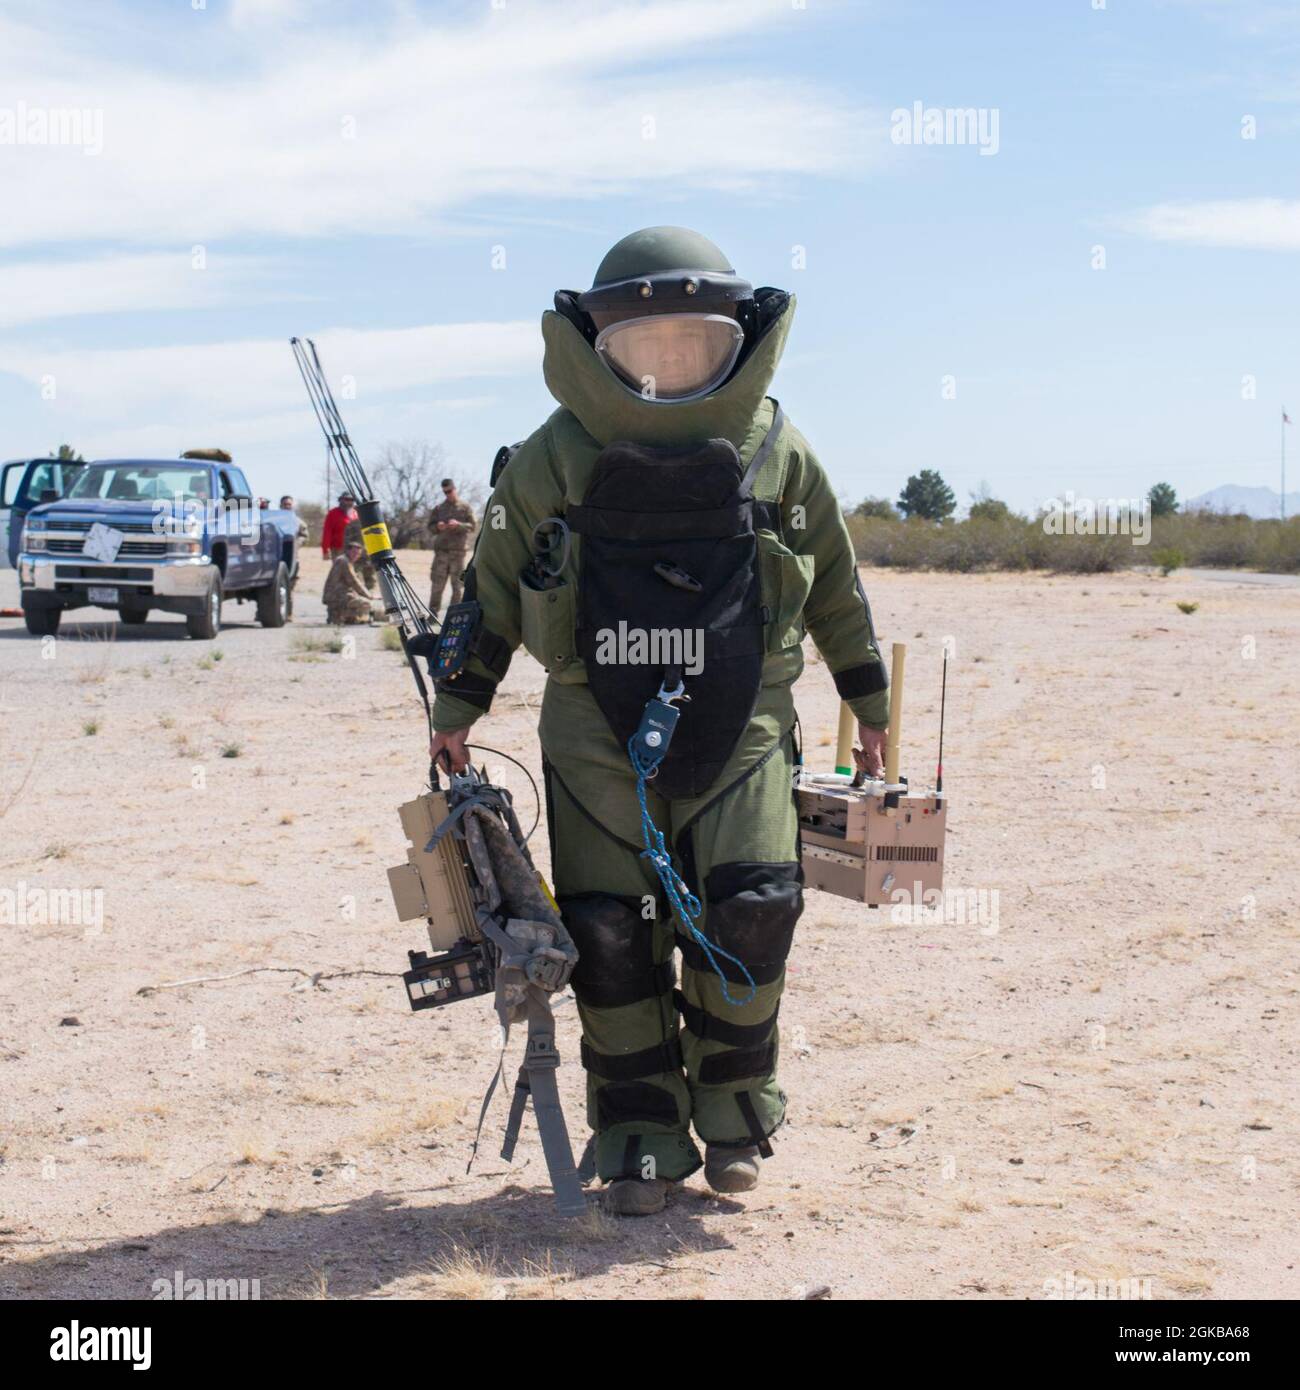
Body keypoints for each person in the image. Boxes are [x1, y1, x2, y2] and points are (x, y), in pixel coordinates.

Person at [429, 227, 890, 1217]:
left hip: (750, 731)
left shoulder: (780, 447)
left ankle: (735, 1115)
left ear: (738, 336)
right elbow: (493, 587)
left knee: (754, 908)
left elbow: (837, 590)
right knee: (607, 935)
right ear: (598, 343)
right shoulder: (554, 456)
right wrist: (459, 704)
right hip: (595, 737)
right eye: (646, 343)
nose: (670, 361)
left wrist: (870, 698)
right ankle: (636, 1133)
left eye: (695, 341)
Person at [427, 477, 476, 612]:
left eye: (449, 491)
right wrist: (438, 526)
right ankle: (432, 615)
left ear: (454, 489)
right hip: (441, 553)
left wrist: (459, 525)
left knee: (458, 586)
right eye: (445, 492)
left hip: (458, 553)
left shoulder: (465, 508)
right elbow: (430, 527)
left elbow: (473, 526)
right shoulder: (438, 509)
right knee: (437, 585)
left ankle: (455, 616)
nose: (448, 494)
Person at [322, 541, 373, 624]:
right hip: (337, 597)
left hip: (336, 596)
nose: (356, 556)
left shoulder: (344, 560)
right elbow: (353, 581)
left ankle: (339, 616)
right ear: (348, 551)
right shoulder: (344, 561)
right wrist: (369, 595)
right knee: (366, 603)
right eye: (354, 552)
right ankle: (343, 615)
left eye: (358, 554)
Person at [321, 492, 357, 560]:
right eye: (346, 499)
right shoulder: (332, 514)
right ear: (341, 500)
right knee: (339, 569)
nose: (349, 502)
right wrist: (325, 550)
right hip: (337, 550)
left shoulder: (355, 514)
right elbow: (327, 532)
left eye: (351, 500)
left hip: (353, 550)